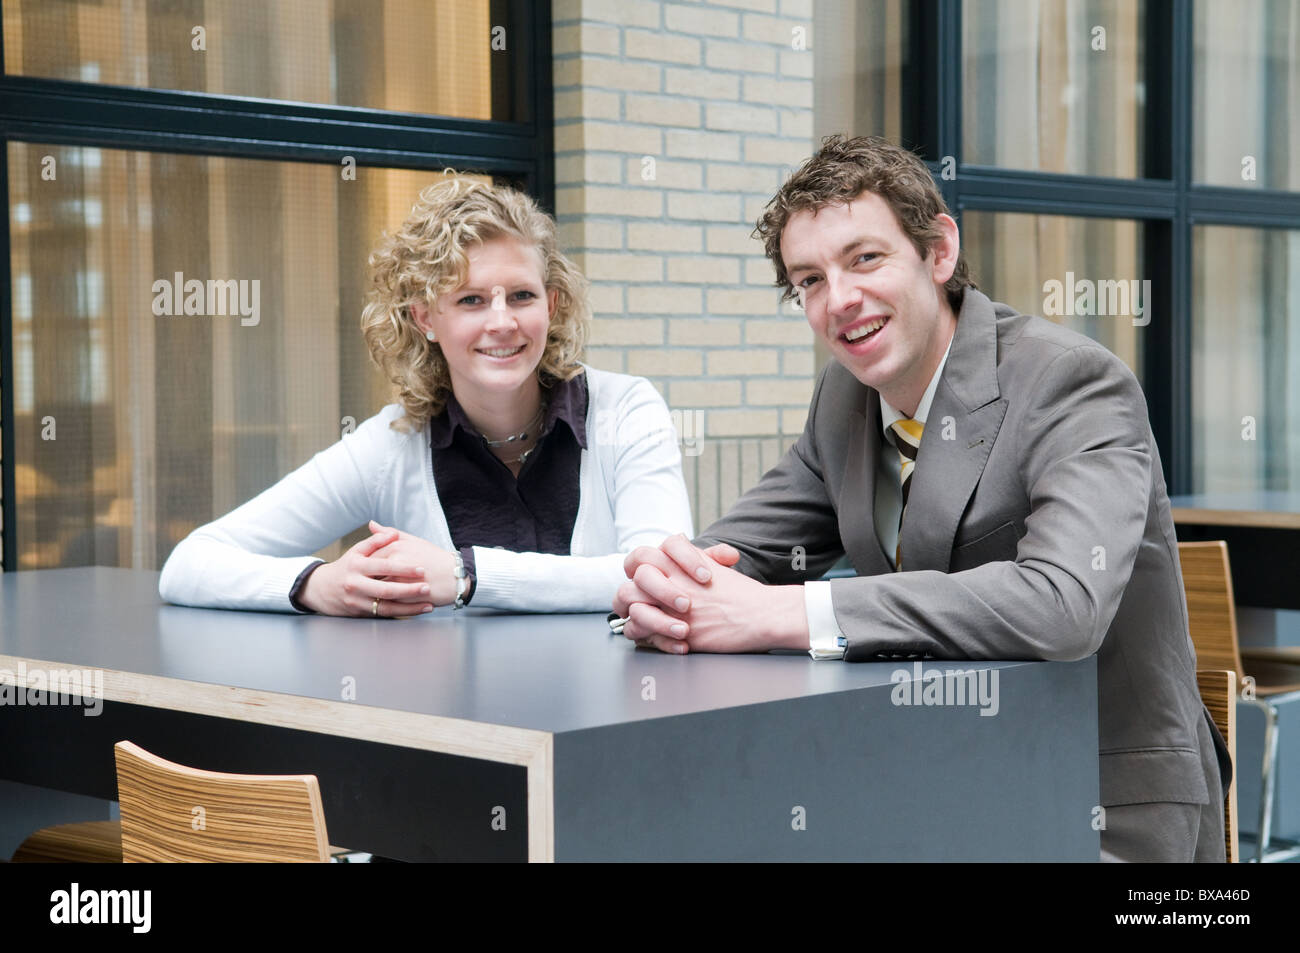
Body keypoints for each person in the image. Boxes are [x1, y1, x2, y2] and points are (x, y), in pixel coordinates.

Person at [612, 135, 1229, 863]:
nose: (839, 300)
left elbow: (1064, 604)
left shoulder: (1072, 381)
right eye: (808, 279)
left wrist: (788, 611)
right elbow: (734, 552)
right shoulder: (846, 396)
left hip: (1094, 793)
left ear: (939, 252)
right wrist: (672, 587)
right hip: (930, 773)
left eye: (864, 259)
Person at [160, 177, 693, 617]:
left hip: (603, 724)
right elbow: (190, 564)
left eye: (523, 296)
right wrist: (318, 584)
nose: (502, 322)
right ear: (425, 318)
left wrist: (465, 575)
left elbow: (662, 578)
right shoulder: (391, 446)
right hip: (451, 729)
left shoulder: (627, 410)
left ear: (552, 305)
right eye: (471, 300)